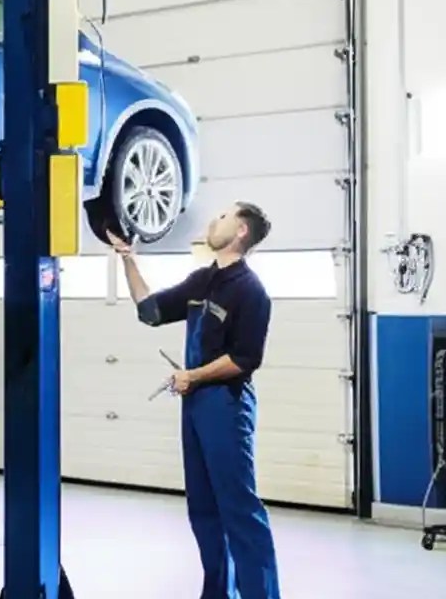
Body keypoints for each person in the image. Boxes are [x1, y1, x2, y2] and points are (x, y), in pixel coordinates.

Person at [107, 202, 280, 599]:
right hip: (197, 404)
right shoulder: (203, 281)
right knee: (203, 509)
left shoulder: (250, 291)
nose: (214, 220)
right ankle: (217, 593)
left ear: (240, 231)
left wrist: (194, 376)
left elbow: (245, 358)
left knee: (238, 509)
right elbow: (149, 311)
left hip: (227, 404)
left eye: (224, 216)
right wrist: (128, 258)